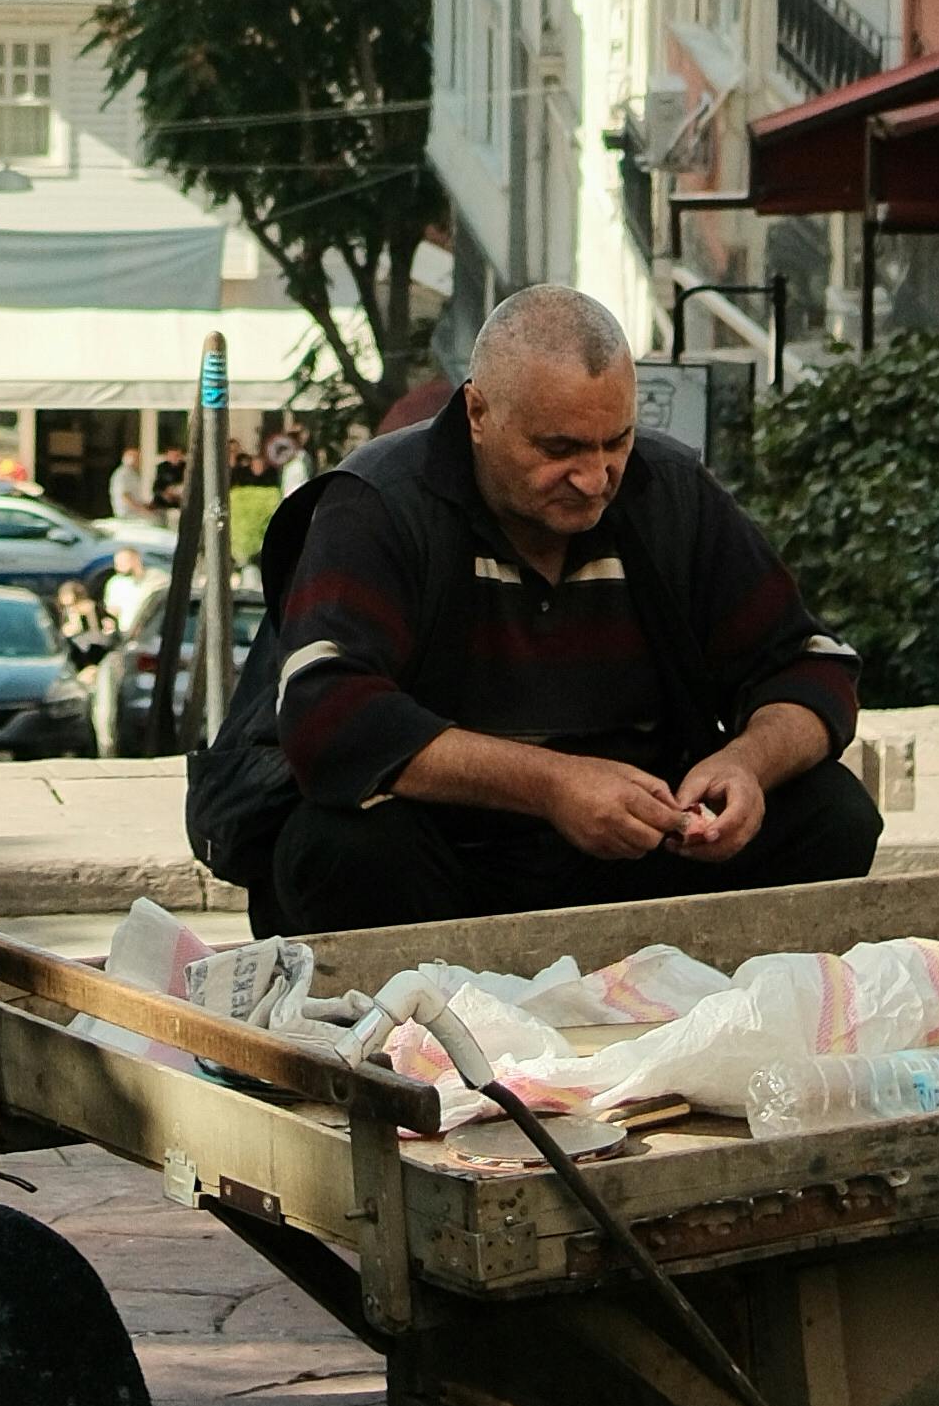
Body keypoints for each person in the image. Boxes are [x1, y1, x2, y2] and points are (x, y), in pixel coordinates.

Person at [238, 290, 879, 940]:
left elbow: (810, 667)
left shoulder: (670, 493)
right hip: (449, 862)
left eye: (616, 441)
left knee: (834, 812)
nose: (595, 478)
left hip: (641, 859)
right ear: (478, 413)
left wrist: (746, 764)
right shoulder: (382, 504)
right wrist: (552, 785)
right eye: (559, 449)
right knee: (338, 848)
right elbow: (328, 713)